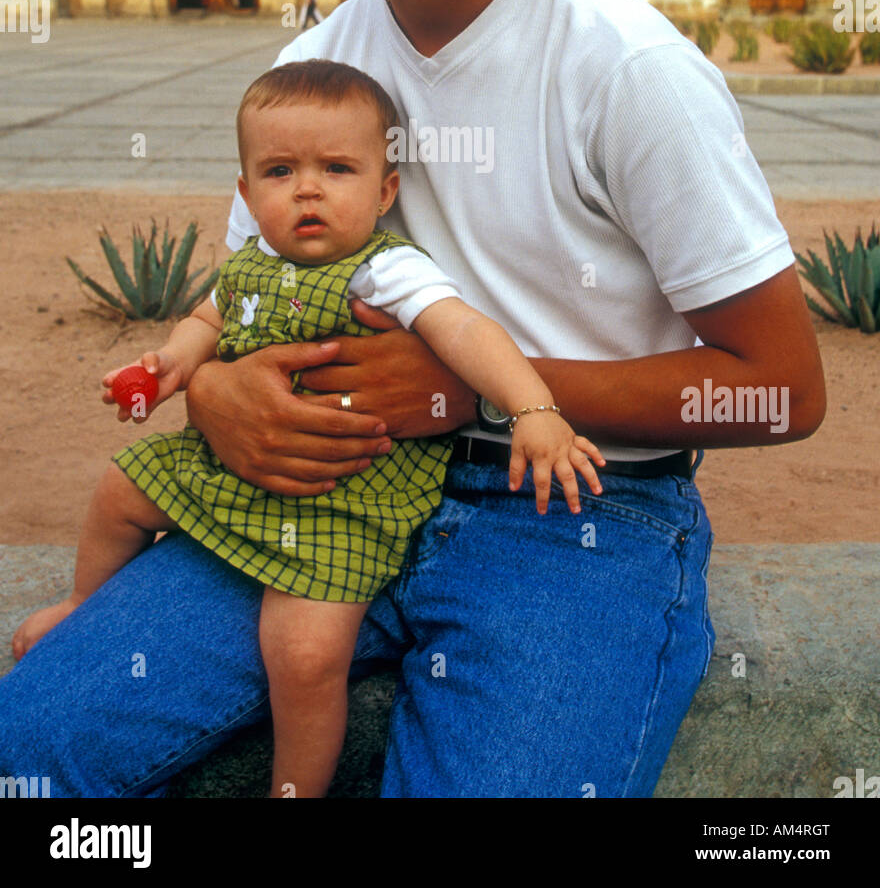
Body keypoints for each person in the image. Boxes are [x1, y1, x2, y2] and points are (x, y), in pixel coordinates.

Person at [0, 0, 825, 799]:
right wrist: (222, 388)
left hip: (575, 516)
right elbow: (243, 309)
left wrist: (471, 388)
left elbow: (781, 386)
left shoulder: (626, 68)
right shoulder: (313, 65)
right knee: (27, 755)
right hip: (325, 491)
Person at [11, 58, 605, 799]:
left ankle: (295, 789)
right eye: (280, 171)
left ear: (385, 191)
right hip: (234, 467)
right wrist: (170, 368)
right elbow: (208, 319)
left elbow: (463, 332)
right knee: (121, 487)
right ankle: (82, 603)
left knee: (303, 655)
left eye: (337, 169)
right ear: (245, 192)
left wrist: (534, 409)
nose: (308, 189)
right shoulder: (252, 261)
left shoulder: (383, 271)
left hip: (338, 502)